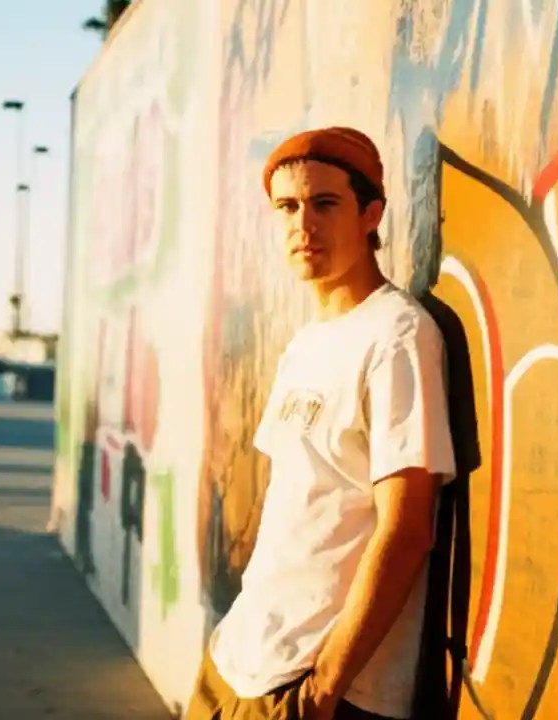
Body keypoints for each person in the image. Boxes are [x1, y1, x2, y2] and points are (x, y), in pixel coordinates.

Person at [186, 127, 456, 720]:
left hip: (316, 684)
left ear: (371, 213)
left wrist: (323, 687)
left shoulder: (398, 335)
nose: (303, 225)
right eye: (287, 206)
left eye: (325, 204)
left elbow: (408, 528)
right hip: (238, 659)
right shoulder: (305, 344)